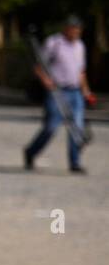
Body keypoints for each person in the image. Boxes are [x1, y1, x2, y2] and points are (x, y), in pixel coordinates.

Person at [25, 15, 93, 173]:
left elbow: (81, 72)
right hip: (57, 91)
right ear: (66, 28)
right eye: (73, 28)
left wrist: (86, 91)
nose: (76, 32)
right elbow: (39, 66)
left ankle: (75, 162)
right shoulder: (54, 43)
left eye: (78, 29)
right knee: (51, 127)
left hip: (75, 91)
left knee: (77, 127)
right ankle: (31, 152)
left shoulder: (80, 46)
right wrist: (45, 81)